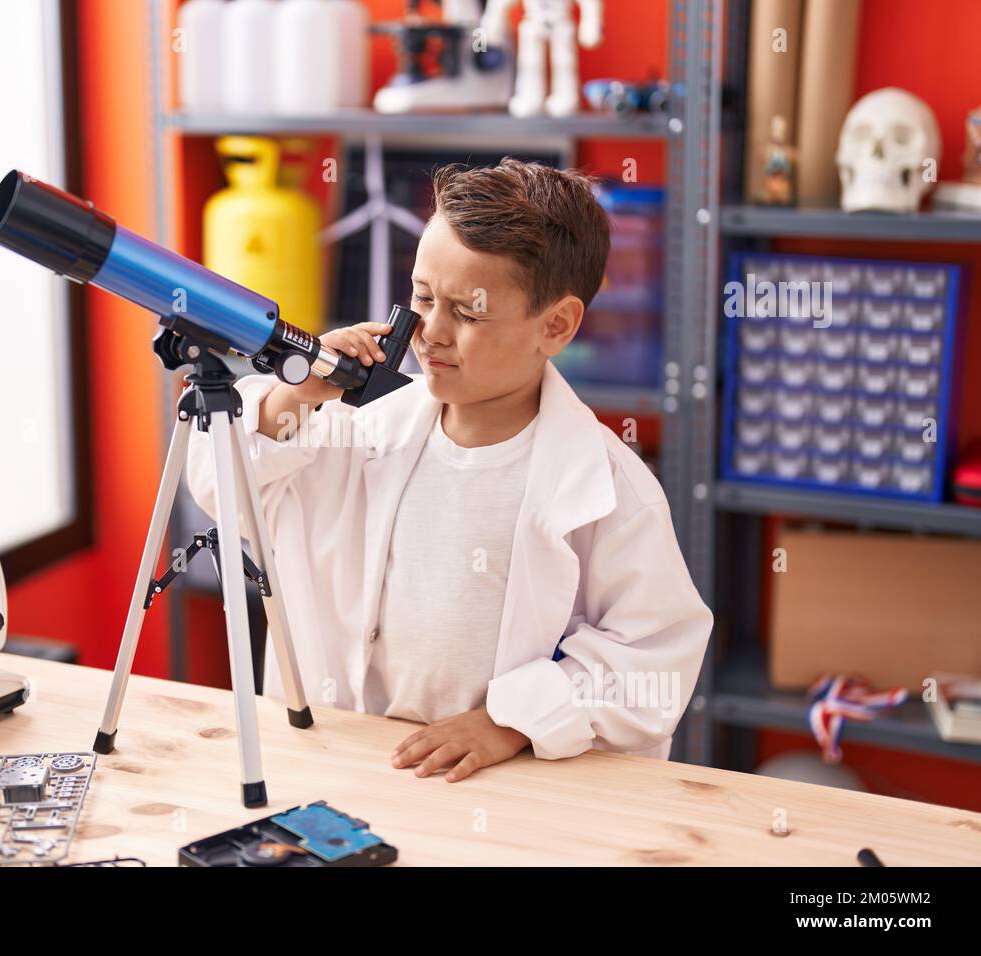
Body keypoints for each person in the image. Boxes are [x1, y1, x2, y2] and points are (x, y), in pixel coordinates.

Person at [188, 158, 713, 782]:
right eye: (422, 297)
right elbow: (224, 482)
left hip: (499, 786)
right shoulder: (351, 429)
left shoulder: (610, 490)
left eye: (467, 312)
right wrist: (292, 395)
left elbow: (654, 658)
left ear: (556, 325)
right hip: (340, 762)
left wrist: (512, 721)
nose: (430, 333)